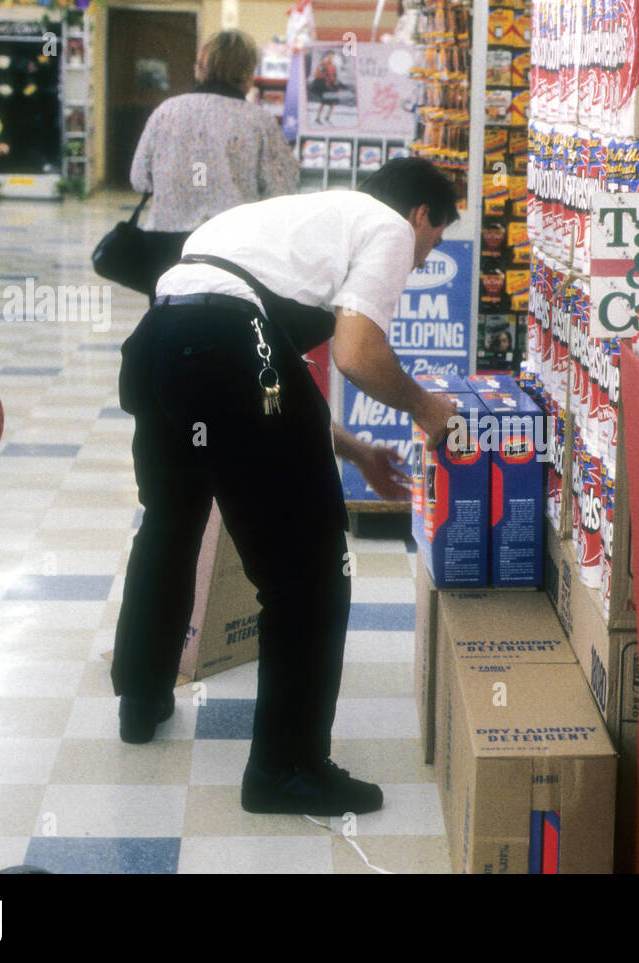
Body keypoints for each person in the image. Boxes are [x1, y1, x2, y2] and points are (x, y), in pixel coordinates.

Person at [112, 157, 460, 817]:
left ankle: (142, 694)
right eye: (433, 242)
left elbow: (263, 377)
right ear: (420, 216)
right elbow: (354, 354)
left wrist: (353, 449)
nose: (420, 261)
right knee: (309, 570)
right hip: (224, 349)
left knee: (171, 518)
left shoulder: (290, 222)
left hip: (159, 342)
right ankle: (287, 766)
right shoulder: (386, 228)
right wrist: (426, 408)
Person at [129, 30, 298, 297]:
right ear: (247, 72)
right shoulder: (258, 121)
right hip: (232, 247)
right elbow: (283, 189)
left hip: (165, 246)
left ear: (201, 67)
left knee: (167, 323)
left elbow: (139, 179)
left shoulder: (166, 111)